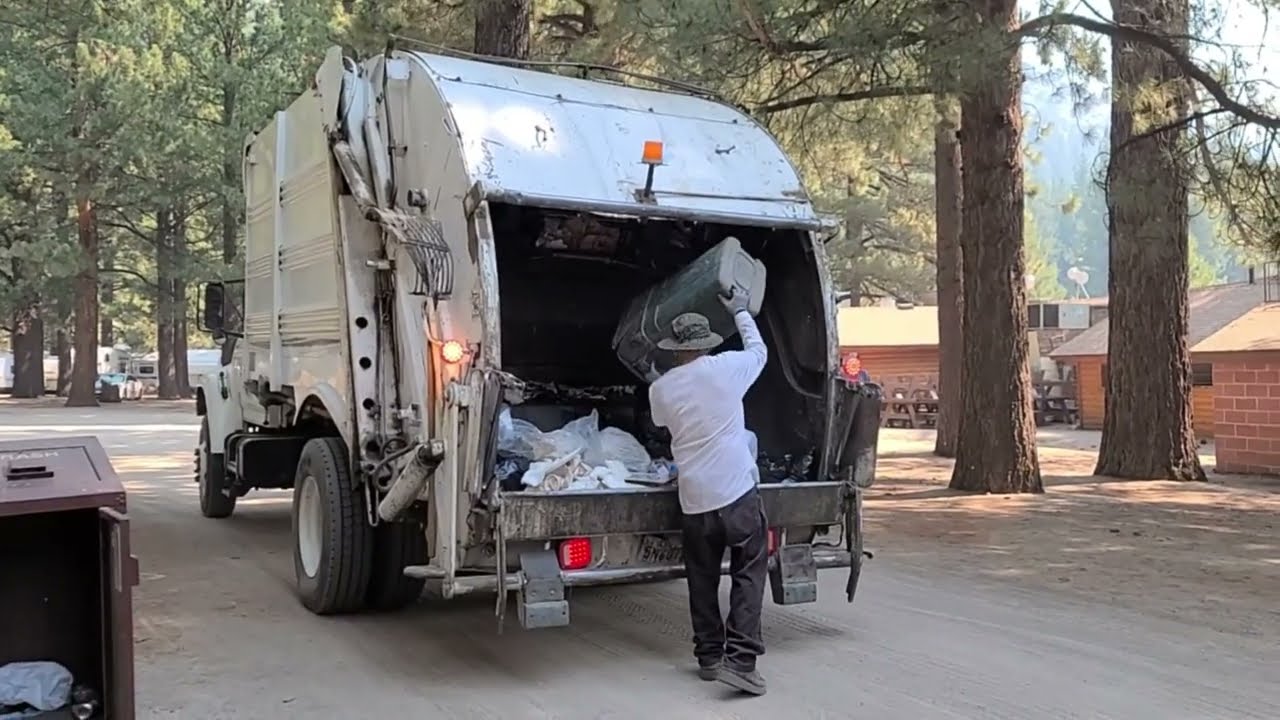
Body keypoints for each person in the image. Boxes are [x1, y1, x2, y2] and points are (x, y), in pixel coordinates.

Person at [647, 289, 769, 696]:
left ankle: (709, 658)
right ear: (705, 344)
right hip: (736, 492)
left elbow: (662, 422)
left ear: (676, 349)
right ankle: (742, 663)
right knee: (748, 574)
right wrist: (739, 309)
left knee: (701, 579)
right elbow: (759, 350)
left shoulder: (660, 389)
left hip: (694, 498)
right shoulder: (728, 367)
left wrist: (657, 379)